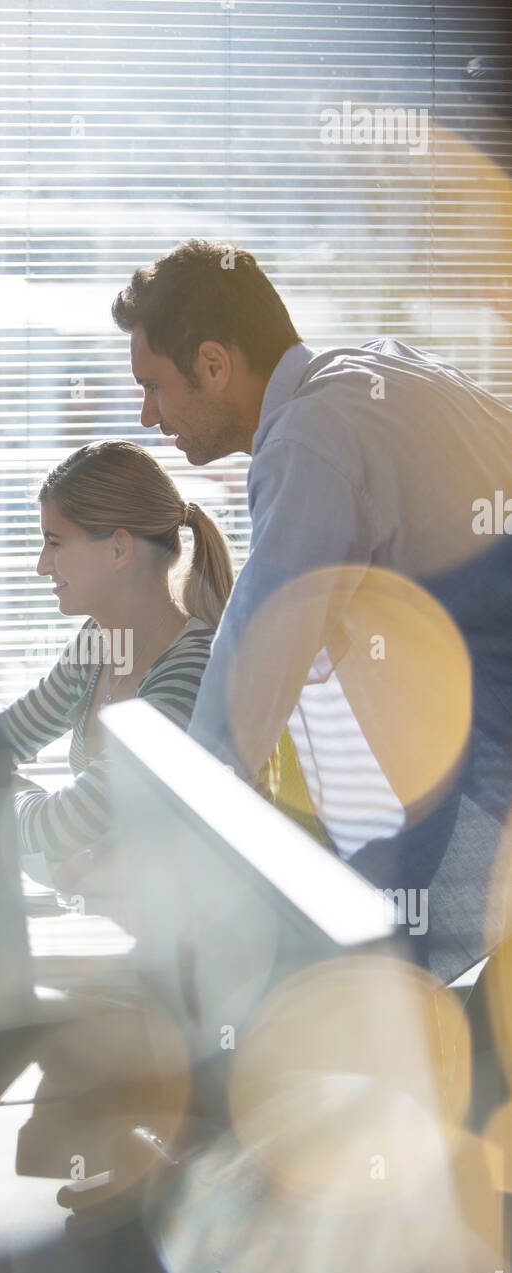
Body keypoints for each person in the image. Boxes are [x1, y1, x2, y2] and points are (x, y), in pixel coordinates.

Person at [112, 238, 512, 983]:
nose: (147, 414)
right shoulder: (378, 370)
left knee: (362, 966)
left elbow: (249, 679)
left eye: (155, 386)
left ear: (213, 365)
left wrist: (164, 856)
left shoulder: (310, 442)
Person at [0, 439, 242, 891]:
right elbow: (9, 738)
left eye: (55, 543)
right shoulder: (100, 641)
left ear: (118, 550)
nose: (41, 566)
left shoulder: (189, 674)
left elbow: (52, 830)